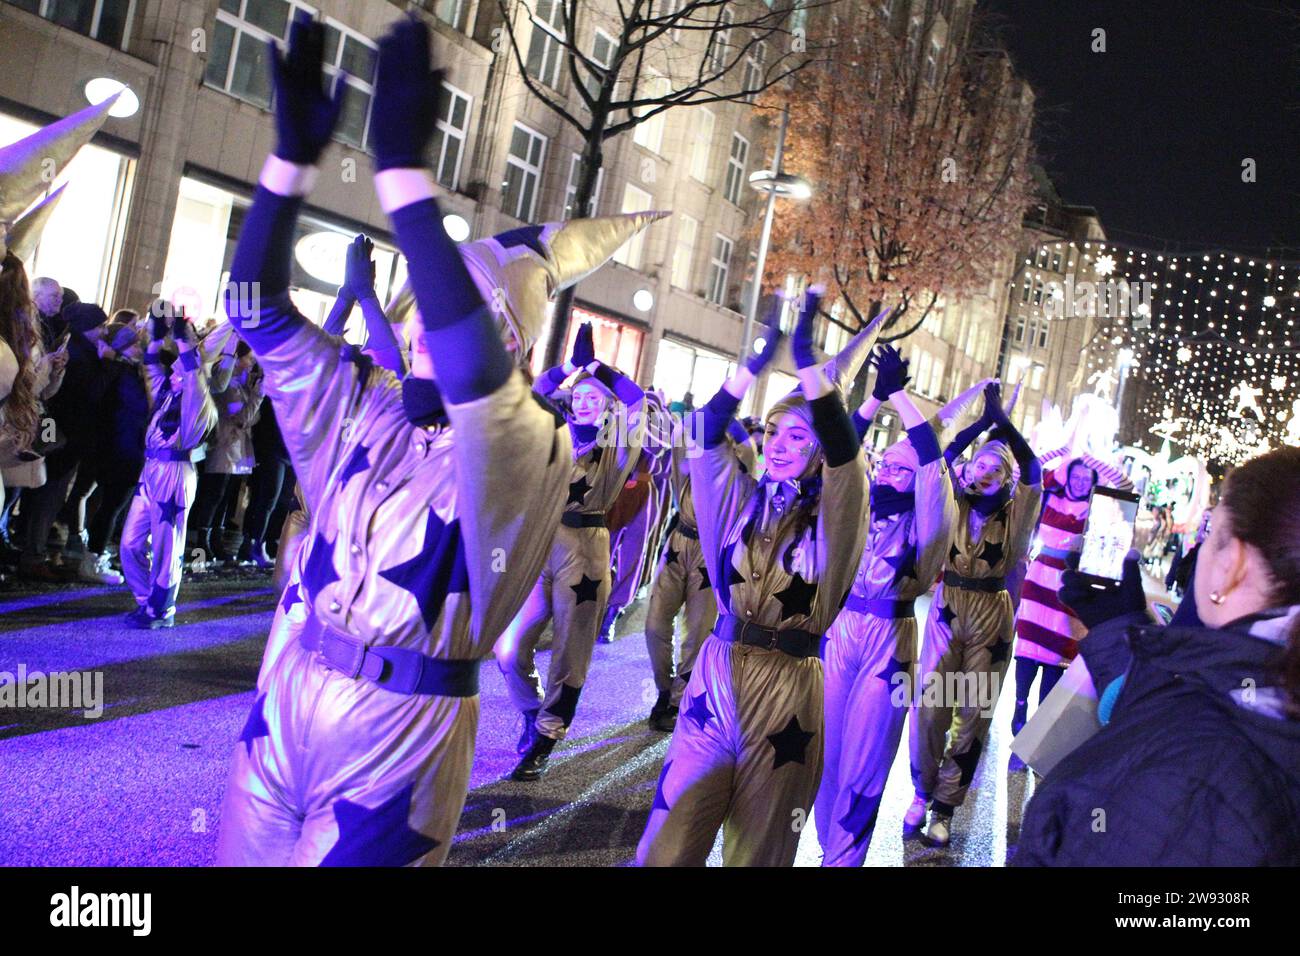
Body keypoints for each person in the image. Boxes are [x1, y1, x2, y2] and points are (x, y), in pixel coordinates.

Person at [216, 15, 655, 866]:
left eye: (469, 309)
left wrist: (407, 182)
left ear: (515, 348)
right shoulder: (364, 407)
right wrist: (288, 163)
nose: (427, 321)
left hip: (402, 734)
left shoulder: (531, 447)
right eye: (429, 299)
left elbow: (475, 373)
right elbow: (253, 312)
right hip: (290, 702)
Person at [637, 287, 868, 867]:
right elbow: (705, 433)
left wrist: (812, 365)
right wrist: (753, 364)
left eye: (798, 437)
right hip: (713, 682)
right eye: (772, 433)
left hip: (789, 691)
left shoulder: (838, 519)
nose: (780, 446)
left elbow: (846, 456)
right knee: (668, 842)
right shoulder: (737, 499)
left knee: (759, 854)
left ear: (818, 451)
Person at [1014, 446, 1300, 865]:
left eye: (1210, 536)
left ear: (1232, 565)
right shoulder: (1261, 693)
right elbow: (1196, 702)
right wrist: (1116, 626)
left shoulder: (1192, 773)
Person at [497, 321, 661, 781]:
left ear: (607, 406)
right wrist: (570, 366)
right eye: (580, 394)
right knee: (509, 647)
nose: (585, 400)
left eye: (595, 396)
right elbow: (530, 396)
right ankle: (532, 712)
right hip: (539, 545)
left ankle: (548, 736)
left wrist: (598, 368)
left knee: (571, 652)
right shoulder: (551, 432)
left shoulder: (618, 444)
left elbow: (635, 401)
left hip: (585, 550)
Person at [815, 344, 957, 866]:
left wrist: (900, 396)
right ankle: (831, 850)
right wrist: (873, 401)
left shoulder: (926, 523)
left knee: (866, 762)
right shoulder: (853, 509)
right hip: (840, 629)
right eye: (885, 463)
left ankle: (844, 860)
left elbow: (932, 465)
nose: (891, 471)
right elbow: (838, 455)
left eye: (904, 466)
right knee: (824, 757)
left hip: (890, 642)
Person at [907, 383, 1042, 847]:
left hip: (992, 616)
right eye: (980, 463)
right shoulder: (954, 500)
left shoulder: (1016, 514)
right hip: (948, 608)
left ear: (1006, 479)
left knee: (972, 714)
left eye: (996, 468)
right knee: (929, 707)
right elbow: (938, 461)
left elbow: (1035, 471)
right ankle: (921, 792)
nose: (985, 471)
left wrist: (1005, 424)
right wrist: (982, 426)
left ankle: (945, 807)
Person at [642, 411, 755, 732]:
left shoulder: (734, 465)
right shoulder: (687, 459)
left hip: (712, 553)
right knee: (654, 624)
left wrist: (728, 417)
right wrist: (705, 412)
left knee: (697, 633)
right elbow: (680, 436)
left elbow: (748, 451)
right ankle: (664, 689)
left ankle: (678, 700)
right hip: (679, 542)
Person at [1010, 448, 1129, 740]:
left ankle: (1041, 719)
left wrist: (1092, 458)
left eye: (1084, 477)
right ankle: (1019, 706)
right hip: (1037, 581)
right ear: (1066, 476)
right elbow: (1022, 473)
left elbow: (1127, 488)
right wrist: (1064, 450)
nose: (1079, 482)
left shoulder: (1098, 507)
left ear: (1092, 480)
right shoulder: (1049, 495)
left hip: (1069, 587)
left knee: (1056, 656)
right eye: (1074, 476)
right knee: (1027, 649)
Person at [118, 303, 218, 627]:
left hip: (174, 473)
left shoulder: (195, 398)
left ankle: (162, 610)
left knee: (167, 547)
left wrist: (183, 334)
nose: (173, 369)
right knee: (130, 543)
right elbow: (150, 365)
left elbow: (191, 370)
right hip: (150, 472)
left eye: (179, 367)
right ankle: (147, 601)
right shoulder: (167, 394)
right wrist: (156, 333)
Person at [78, 320, 148, 584]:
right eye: (133, 345)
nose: (139, 349)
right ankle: (92, 558)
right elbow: (137, 408)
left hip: (121, 445)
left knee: (111, 505)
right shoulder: (121, 372)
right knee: (112, 505)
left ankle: (94, 553)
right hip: (122, 447)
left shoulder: (121, 369)